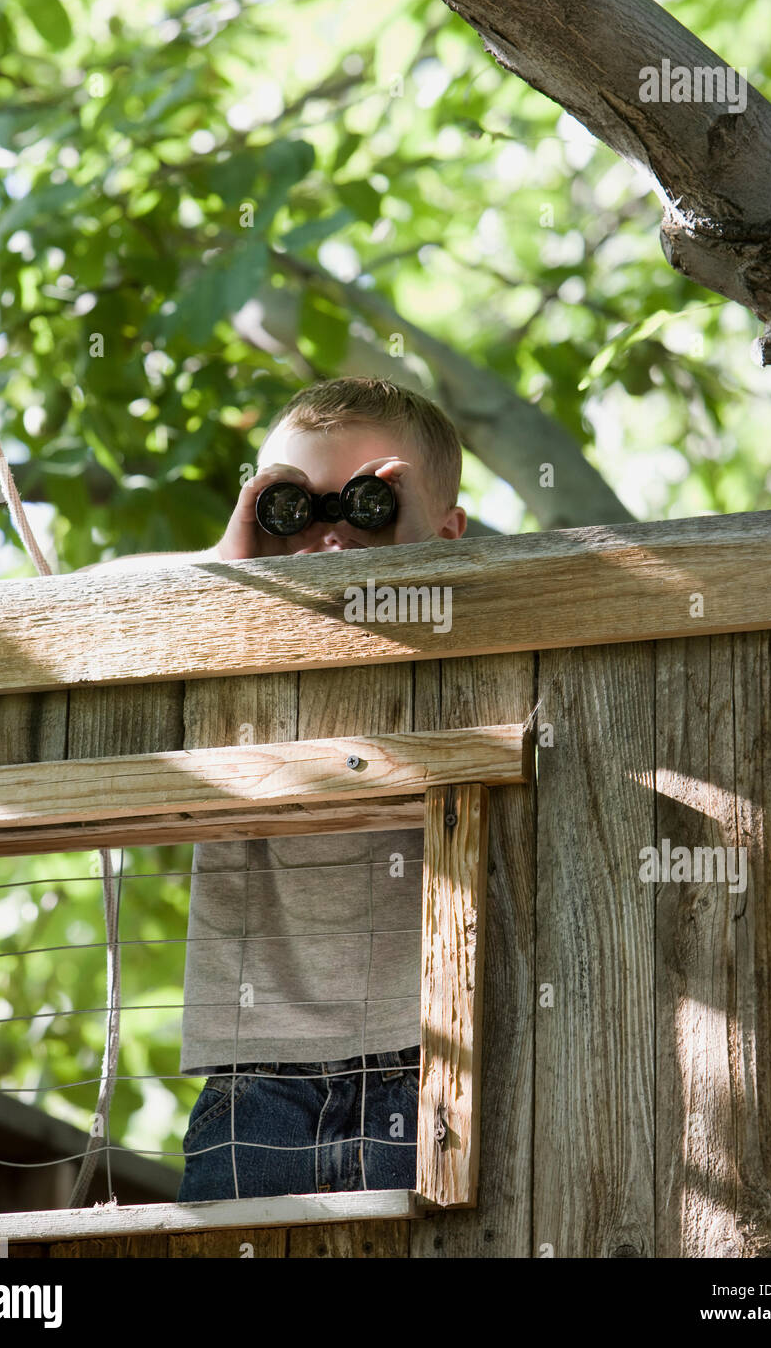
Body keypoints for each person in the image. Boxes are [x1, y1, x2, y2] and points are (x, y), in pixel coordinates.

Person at [92, 377, 468, 1200]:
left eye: (367, 501)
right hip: (253, 1078)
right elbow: (92, 597)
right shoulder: (224, 637)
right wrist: (230, 571)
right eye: (296, 503)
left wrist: (413, 562)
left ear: (446, 528)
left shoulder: (469, 626)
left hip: (437, 1061)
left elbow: (473, 605)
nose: (331, 531)